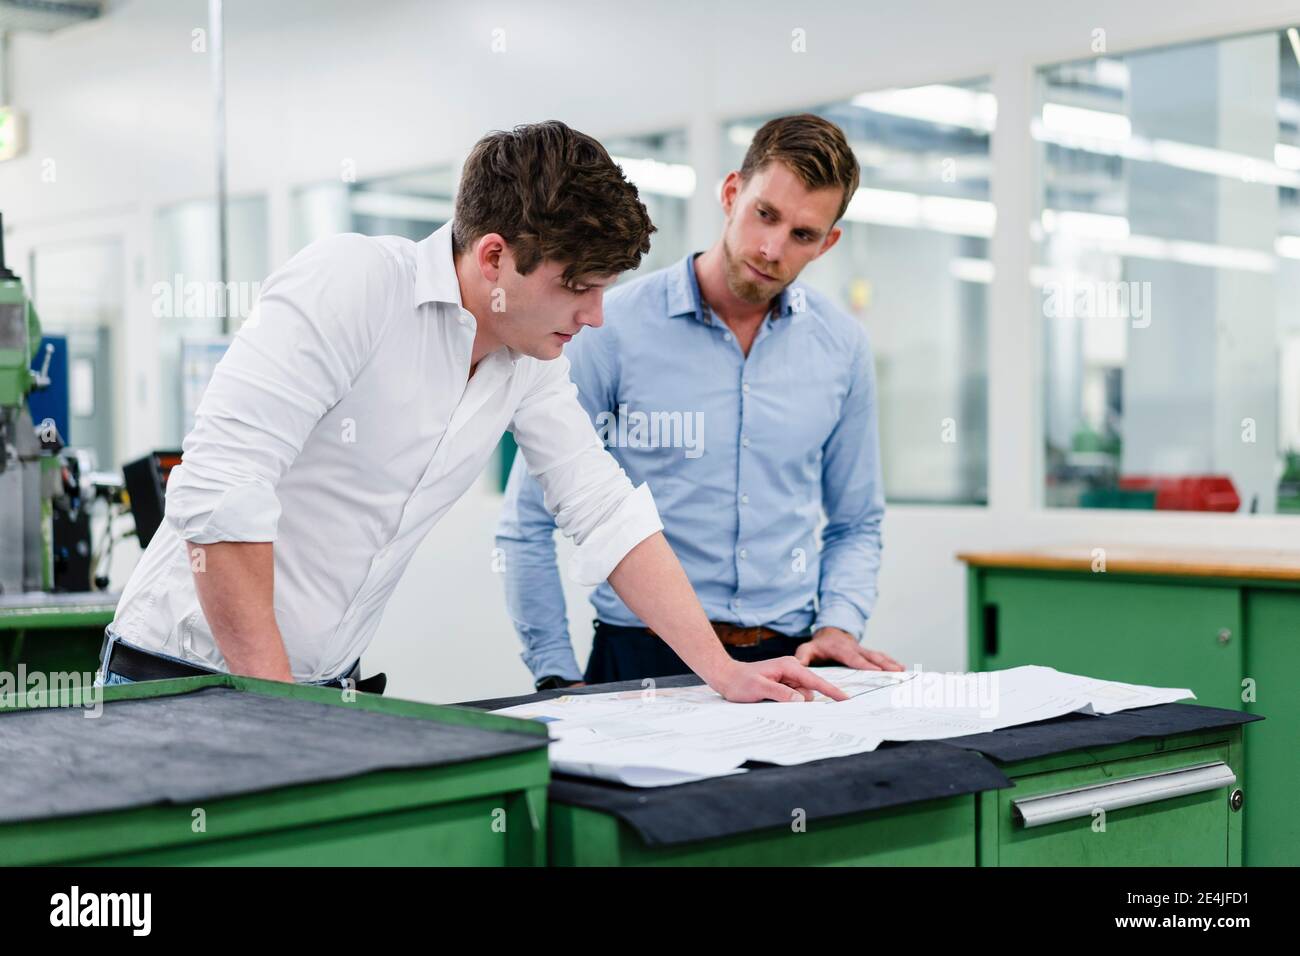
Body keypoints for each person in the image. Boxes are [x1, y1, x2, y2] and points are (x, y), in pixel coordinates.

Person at [100, 120, 845, 705]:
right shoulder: (352, 284)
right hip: (179, 680)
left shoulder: (526, 359)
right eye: (578, 287)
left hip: (315, 693)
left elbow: (603, 507)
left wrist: (723, 671)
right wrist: (278, 715)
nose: (595, 317)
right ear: (495, 258)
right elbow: (220, 488)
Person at [496, 114, 902, 690]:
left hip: (788, 657)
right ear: (732, 192)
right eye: (765, 214)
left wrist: (841, 623)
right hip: (638, 657)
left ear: (828, 243)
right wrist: (556, 675)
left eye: (803, 235)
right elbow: (527, 523)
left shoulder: (842, 347)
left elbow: (856, 520)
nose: (771, 248)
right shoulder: (608, 326)